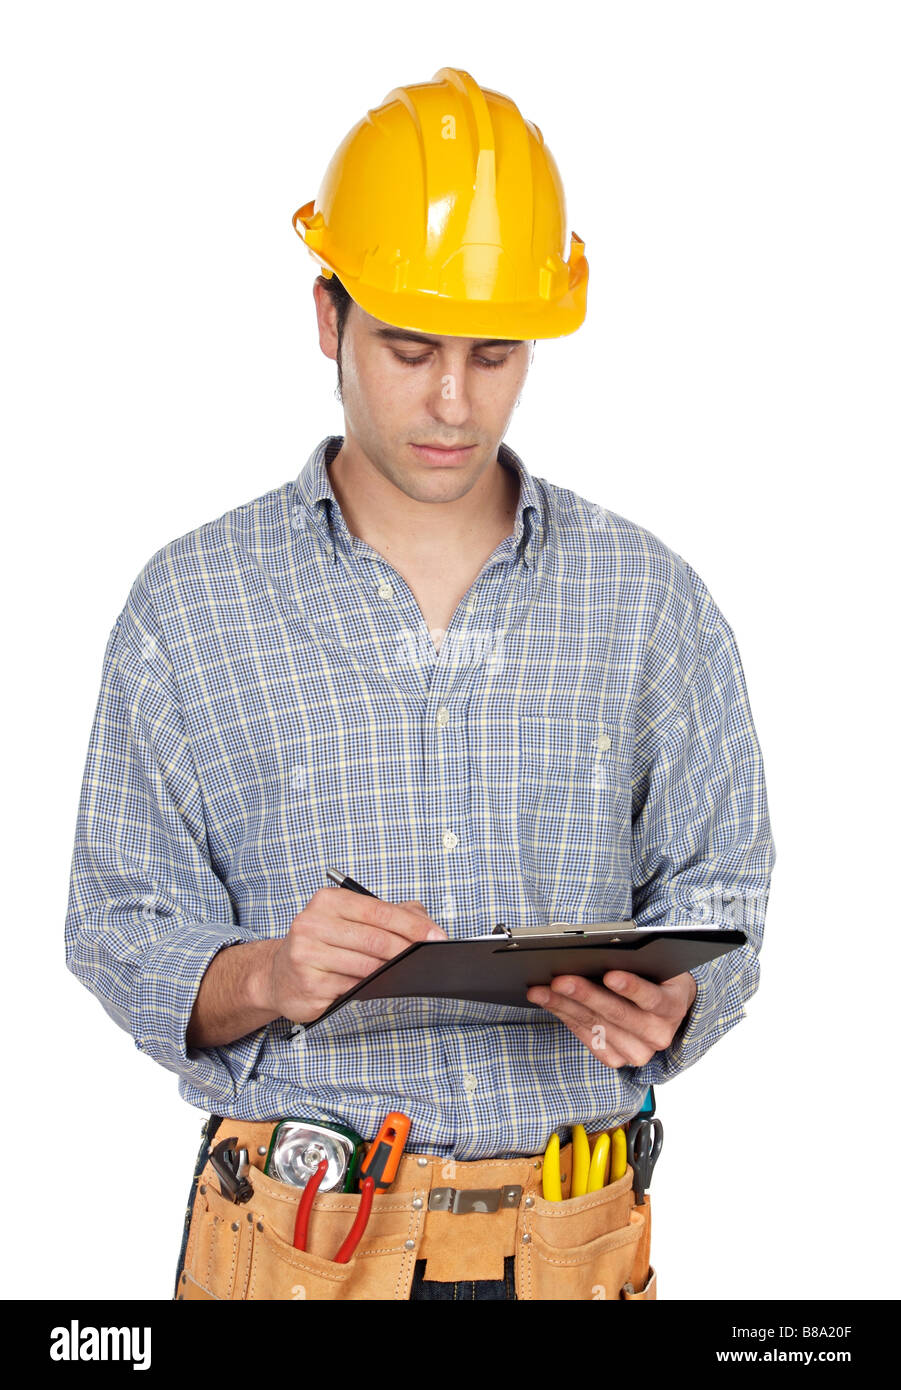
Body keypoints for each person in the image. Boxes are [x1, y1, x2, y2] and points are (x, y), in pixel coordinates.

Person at [64, 66, 775, 1301]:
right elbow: (117, 923)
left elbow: (725, 890)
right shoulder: (190, 607)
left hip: (572, 1243)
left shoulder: (649, 600)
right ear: (327, 316)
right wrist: (267, 974)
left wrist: (677, 1002)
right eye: (408, 347)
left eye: (494, 354)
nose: (453, 400)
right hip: (300, 1242)